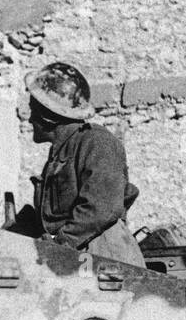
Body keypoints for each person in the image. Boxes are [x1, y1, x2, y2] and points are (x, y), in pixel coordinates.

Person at [13, 62, 145, 267]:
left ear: (47, 116)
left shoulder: (96, 142)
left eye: (33, 111)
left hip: (104, 261)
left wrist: (59, 243)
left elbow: (101, 209)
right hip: (79, 256)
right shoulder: (62, 151)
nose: (29, 120)